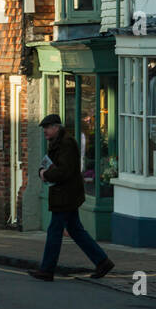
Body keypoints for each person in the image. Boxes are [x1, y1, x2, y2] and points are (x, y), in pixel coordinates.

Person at [28, 114, 115, 282]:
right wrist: (43, 171)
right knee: (75, 230)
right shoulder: (57, 143)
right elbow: (49, 164)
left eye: (47, 128)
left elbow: (64, 171)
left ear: (56, 127)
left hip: (66, 195)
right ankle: (103, 262)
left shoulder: (66, 144)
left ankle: (47, 270)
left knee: (54, 230)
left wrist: (46, 174)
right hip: (65, 194)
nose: (45, 131)